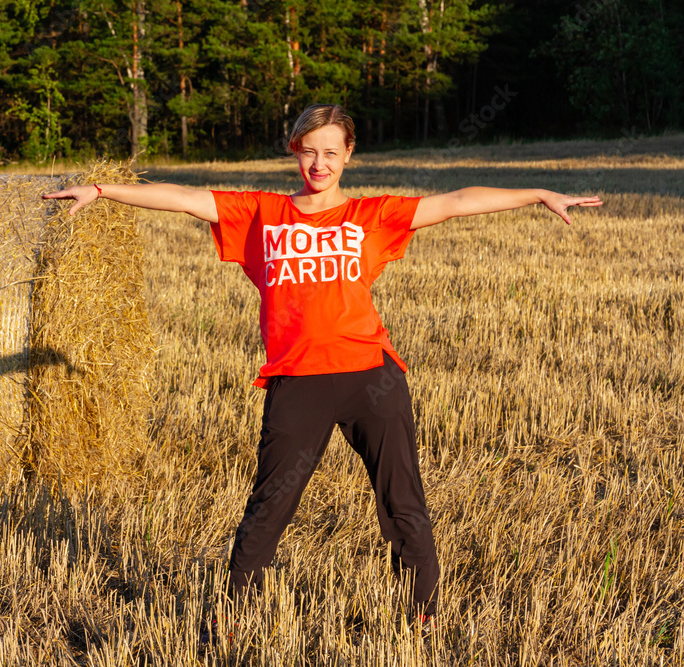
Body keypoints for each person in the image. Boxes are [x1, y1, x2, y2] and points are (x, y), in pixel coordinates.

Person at [43, 103, 602, 629]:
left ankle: (424, 613)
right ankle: (232, 616)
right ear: (295, 151)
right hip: (297, 381)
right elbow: (185, 198)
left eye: (331, 152)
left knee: (402, 499)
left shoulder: (371, 216)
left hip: (372, 379)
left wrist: (537, 193)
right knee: (270, 503)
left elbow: (456, 201)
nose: (320, 163)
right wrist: (101, 191)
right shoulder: (262, 212)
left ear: (348, 155)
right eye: (310, 151)